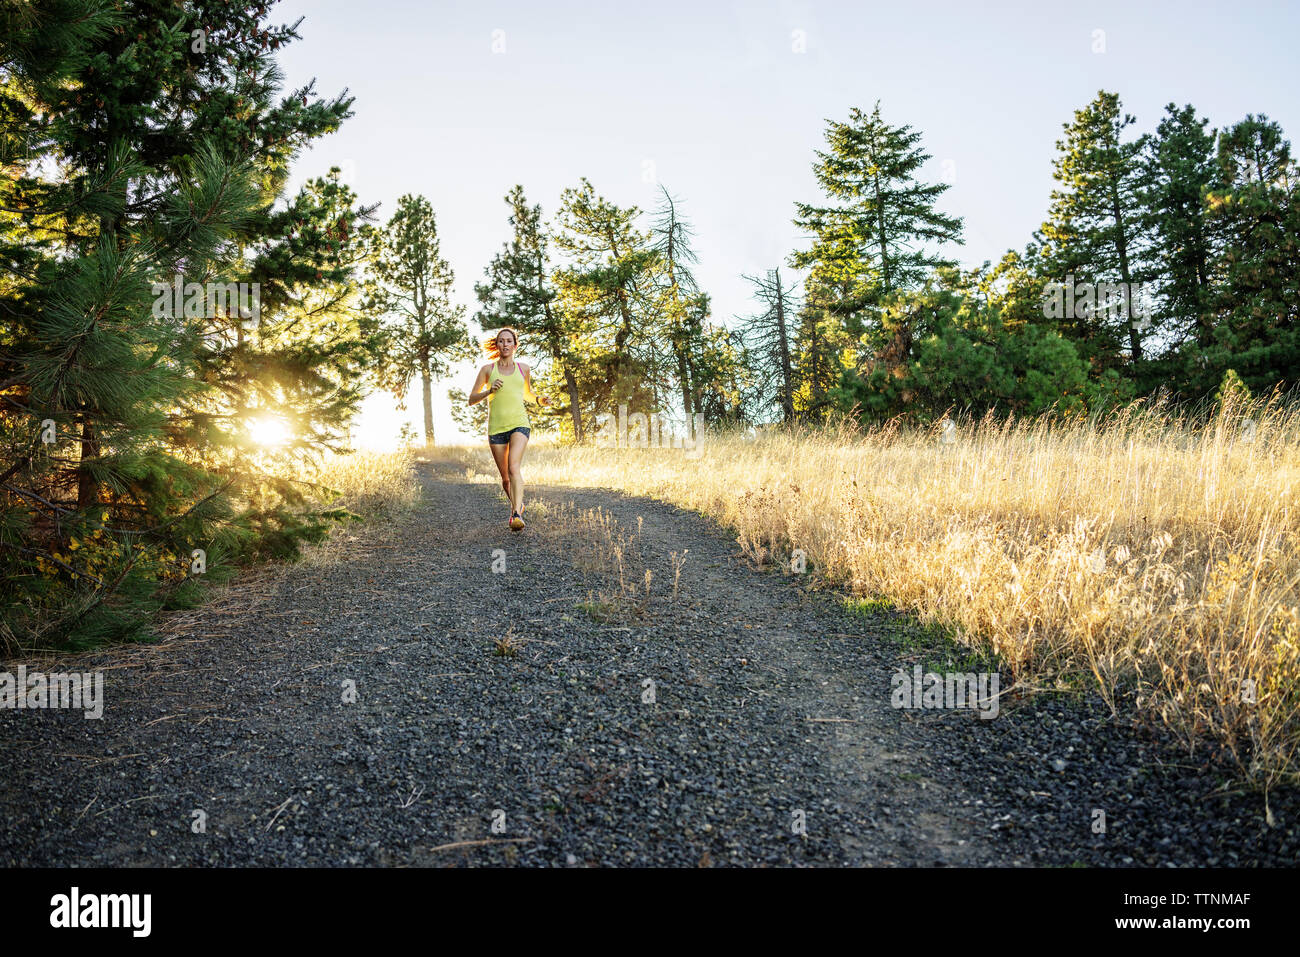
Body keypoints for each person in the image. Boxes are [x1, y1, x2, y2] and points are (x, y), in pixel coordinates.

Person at [466, 327, 546, 529]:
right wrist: (488, 391)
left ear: (515, 345)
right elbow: (471, 399)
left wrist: (538, 399)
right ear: (497, 345)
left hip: (519, 423)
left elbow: (526, 393)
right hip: (496, 428)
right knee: (505, 479)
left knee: (514, 467)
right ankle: (518, 505)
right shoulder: (487, 370)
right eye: (501, 341)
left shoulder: (523, 369)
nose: (505, 344)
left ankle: (516, 513)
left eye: (509, 341)